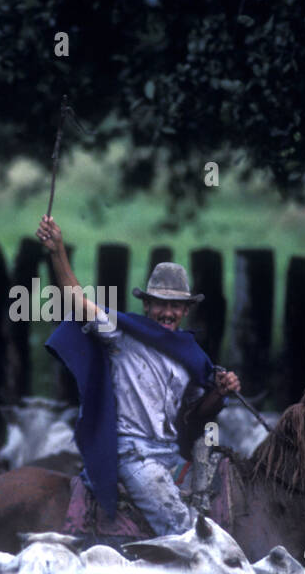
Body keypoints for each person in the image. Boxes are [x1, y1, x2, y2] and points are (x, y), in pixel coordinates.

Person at [37, 215, 240, 535]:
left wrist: (220, 392)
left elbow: (195, 416)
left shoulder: (189, 355)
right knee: (187, 532)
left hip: (169, 456)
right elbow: (78, 301)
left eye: (175, 306)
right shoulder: (122, 335)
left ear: (186, 310)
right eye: (160, 303)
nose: (168, 312)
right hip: (133, 455)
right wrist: (58, 250)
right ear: (146, 306)